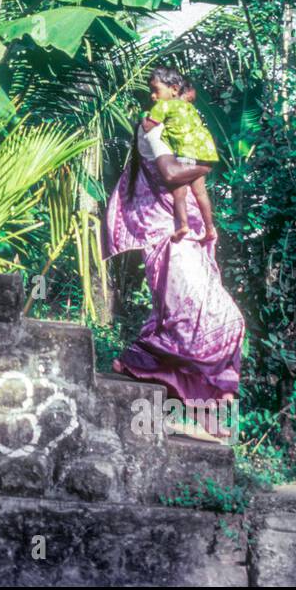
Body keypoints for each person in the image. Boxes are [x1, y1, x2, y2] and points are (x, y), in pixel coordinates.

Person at [104, 102, 244, 441]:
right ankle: (144, 357)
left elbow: (197, 190)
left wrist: (210, 228)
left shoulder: (185, 139)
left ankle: (207, 413)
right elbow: (169, 174)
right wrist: (204, 165)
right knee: (197, 323)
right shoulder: (151, 131)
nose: (189, 108)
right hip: (168, 241)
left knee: (224, 324)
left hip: (191, 241)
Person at [142, 67, 218, 244]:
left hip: (186, 153)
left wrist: (144, 115)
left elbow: (147, 126)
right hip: (204, 152)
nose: (153, 96)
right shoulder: (188, 106)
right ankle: (210, 228)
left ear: (174, 89)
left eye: (156, 90)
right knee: (201, 193)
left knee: (179, 193)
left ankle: (183, 226)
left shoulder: (164, 105)